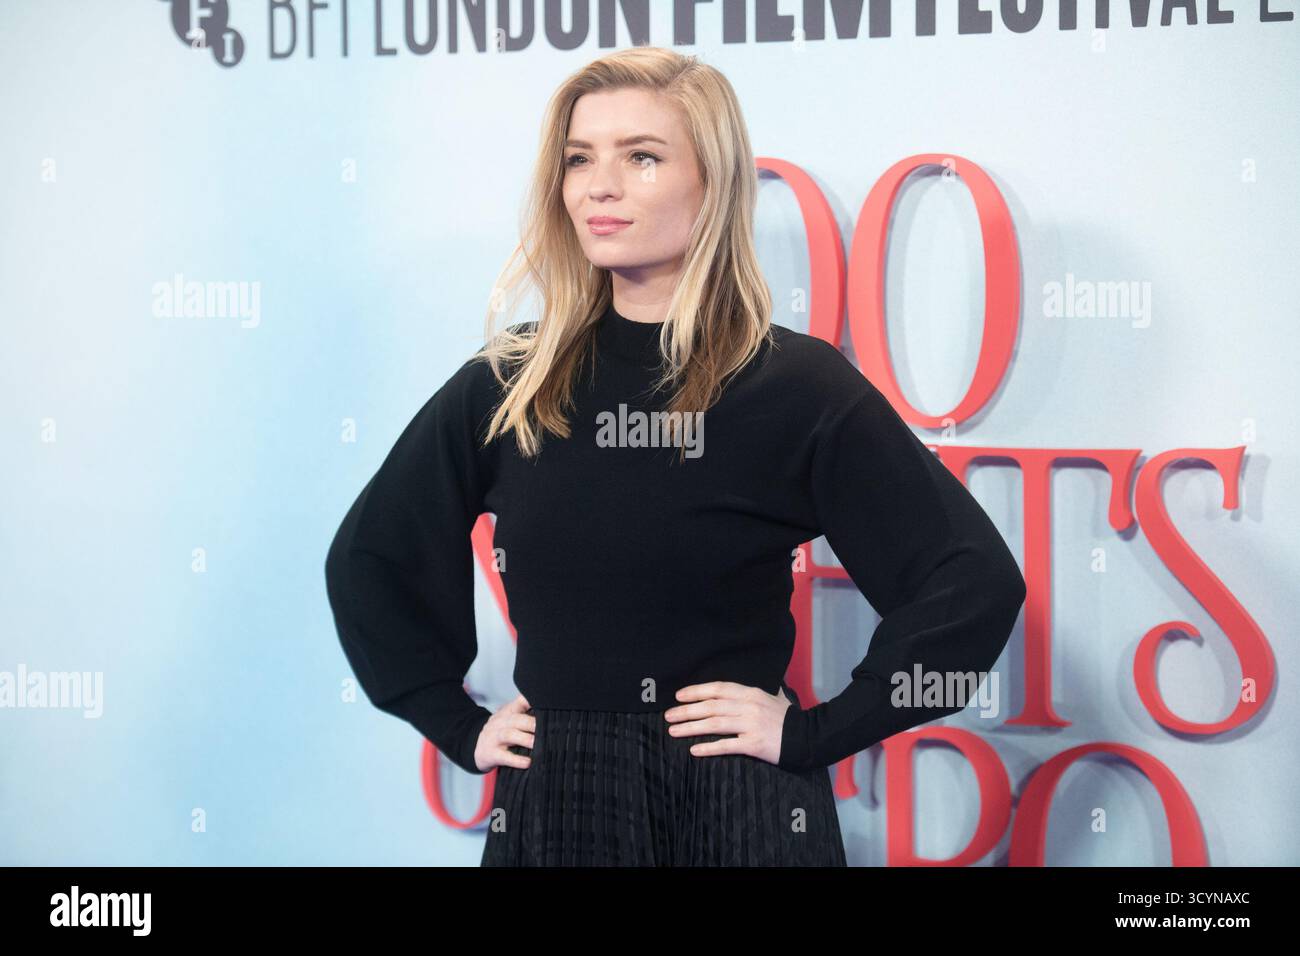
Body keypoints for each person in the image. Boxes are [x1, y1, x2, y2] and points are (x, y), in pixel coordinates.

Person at [323, 47, 1026, 867]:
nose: (599, 186)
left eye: (642, 158)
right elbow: (372, 559)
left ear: (713, 184)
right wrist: (457, 722)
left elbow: (971, 581)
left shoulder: (794, 385)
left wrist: (821, 730)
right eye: (579, 159)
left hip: (737, 798)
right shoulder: (510, 383)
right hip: (559, 800)